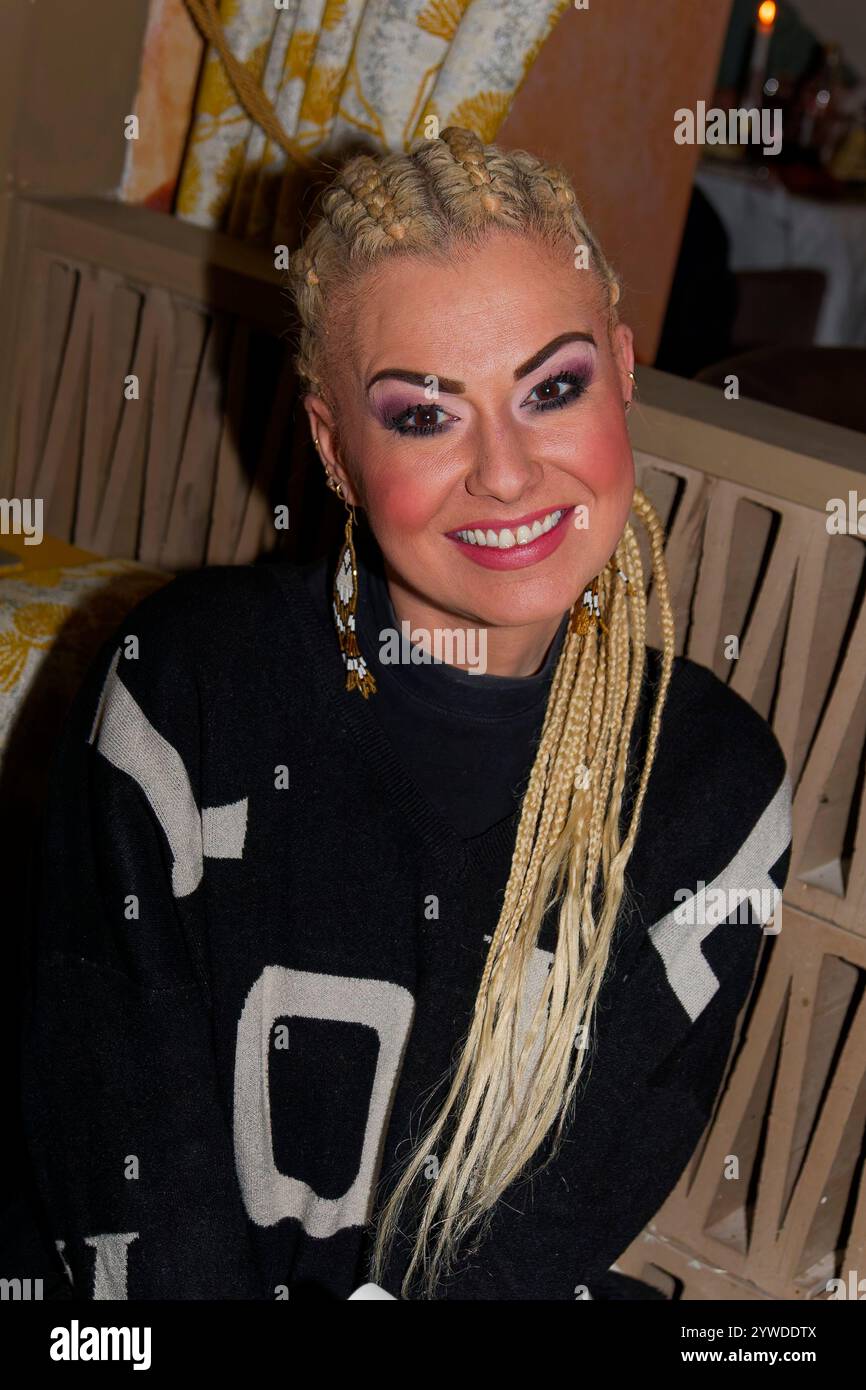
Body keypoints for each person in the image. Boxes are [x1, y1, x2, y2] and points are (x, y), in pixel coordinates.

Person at [20, 127, 792, 1302]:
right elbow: (124, 1172)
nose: (504, 469)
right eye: (423, 415)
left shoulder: (705, 789)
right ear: (332, 447)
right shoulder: (183, 689)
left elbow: (534, 1234)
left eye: (552, 388)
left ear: (622, 376)